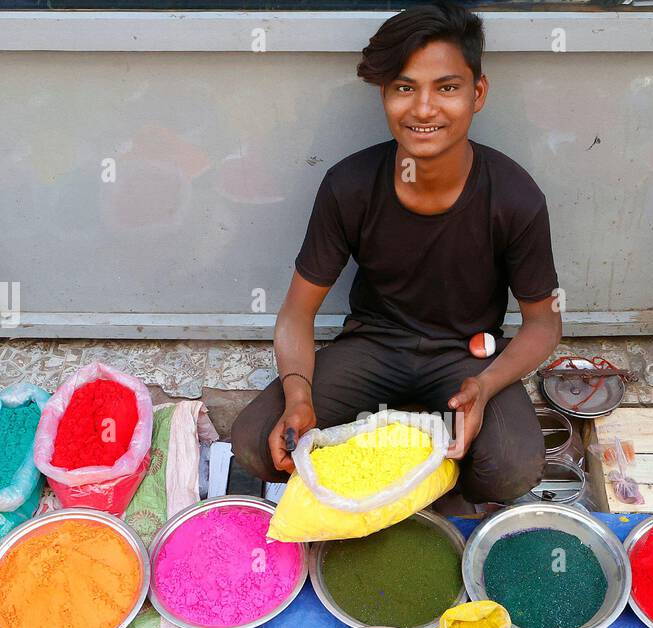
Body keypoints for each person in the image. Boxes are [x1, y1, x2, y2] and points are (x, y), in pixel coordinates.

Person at [231, 1, 561, 502]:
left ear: (478, 93)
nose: (423, 109)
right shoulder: (350, 185)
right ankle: (386, 461)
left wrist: (487, 386)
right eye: (405, 88)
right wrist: (298, 395)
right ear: (385, 95)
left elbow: (544, 322)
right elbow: (296, 314)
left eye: (446, 88)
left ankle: (427, 476)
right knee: (257, 445)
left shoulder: (514, 196)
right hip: (372, 349)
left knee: (511, 470)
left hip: (464, 358)